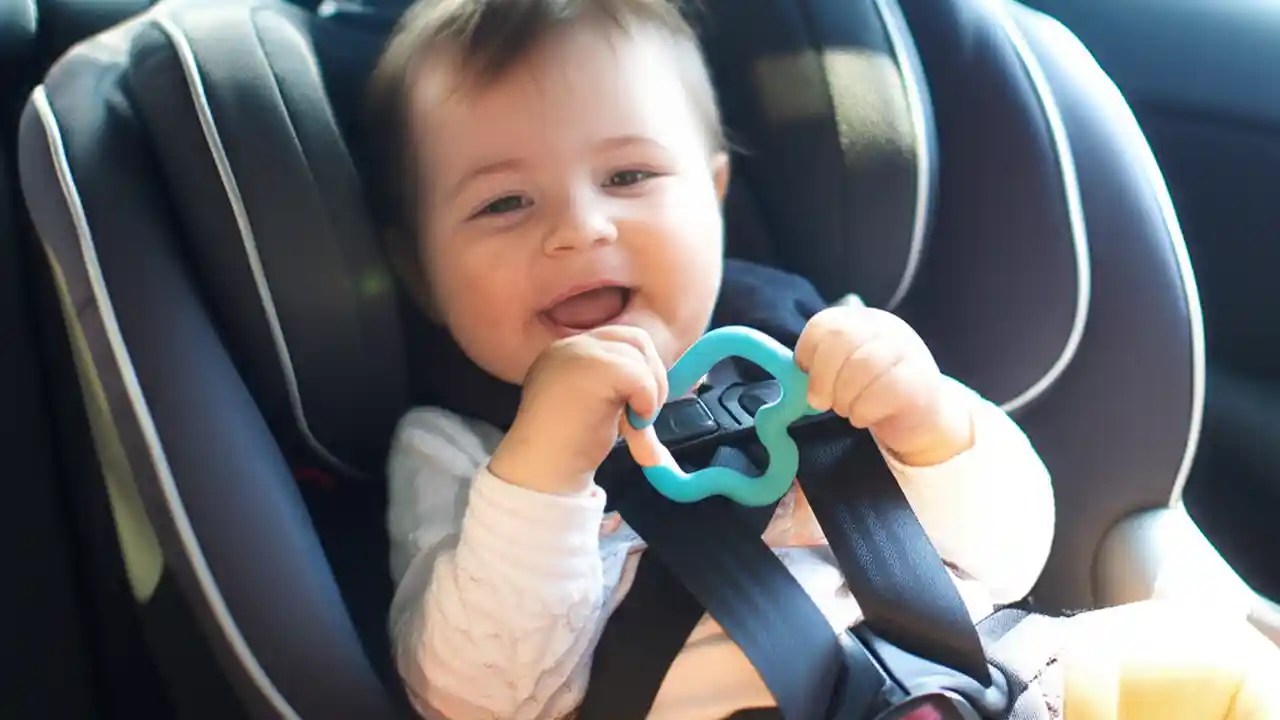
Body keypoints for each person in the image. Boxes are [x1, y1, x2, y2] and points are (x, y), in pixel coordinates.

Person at [361, 1, 1278, 718]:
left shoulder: (816, 343)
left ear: (713, 196)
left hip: (987, 685)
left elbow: (1009, 554)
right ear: (422, 274)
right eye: (503, 204)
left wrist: (929, 426)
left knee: (1226, 667)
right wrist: (545, 473)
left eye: (630, 177)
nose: (581, 228)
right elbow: (470, 698)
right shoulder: (462, 446)